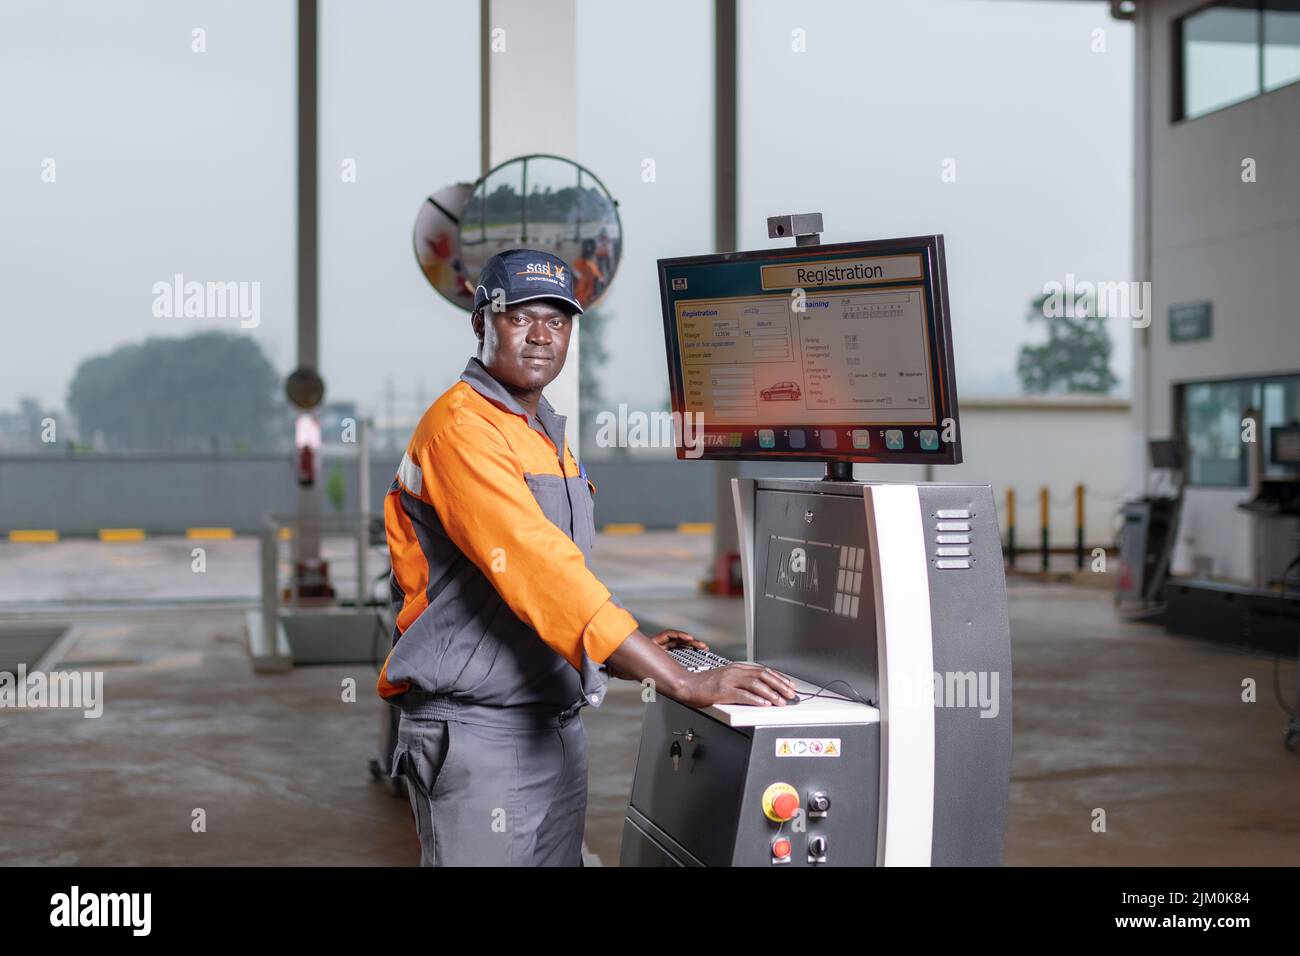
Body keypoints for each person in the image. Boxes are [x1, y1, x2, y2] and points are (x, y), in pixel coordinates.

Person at [378, 248, 796, 866]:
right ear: (480, 322)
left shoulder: (542, 433)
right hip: (478, 733)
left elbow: (567, 580)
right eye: (521, 317)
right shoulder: (461, 430)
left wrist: (646, 649)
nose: (543, 335)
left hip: (552, 725)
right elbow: (538, 570)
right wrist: (681, 680)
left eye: (559, 318)